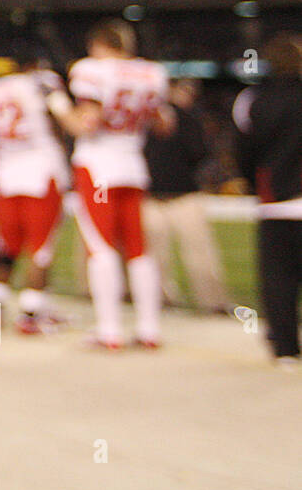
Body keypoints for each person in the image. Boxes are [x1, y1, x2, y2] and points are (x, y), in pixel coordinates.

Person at [66, 19, 173, 349]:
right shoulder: (152, 73)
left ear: (98, 45)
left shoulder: (93, 70)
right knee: (138, 249)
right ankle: (149, 329)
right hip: (132, 167)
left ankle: (109, 330)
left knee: (101, 247)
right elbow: (164, 124)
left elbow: (87, 123)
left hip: (99, 169)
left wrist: (58, 109)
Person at [0, 52, 73, 333]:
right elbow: (60, 124)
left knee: (7, 246)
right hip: (41, 172)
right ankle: (31, 314)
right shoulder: (43, 82)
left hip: (6, 173)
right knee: (40, 248)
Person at [234, 34, 302, 367]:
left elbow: (245, 152)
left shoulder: (255, 100)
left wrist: (252, 184)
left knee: (279, 278)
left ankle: (286, 348)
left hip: (276, 200)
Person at [142, 78, 230, 313]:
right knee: (155, 256)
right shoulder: (146, 117)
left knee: (201, 254)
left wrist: (182, 116)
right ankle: (161, 298)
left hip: (184, 195)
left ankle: (214, 301)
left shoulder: (191, 118)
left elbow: (199, 151)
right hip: (153, 196)